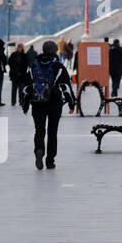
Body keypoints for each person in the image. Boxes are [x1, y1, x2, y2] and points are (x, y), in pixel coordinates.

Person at [22, 40, 71, 170]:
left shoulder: (34, 65)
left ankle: (39, 150)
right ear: (55, 51)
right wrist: (71, 103)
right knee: (52, 132)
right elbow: (66, 86)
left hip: (37, 103)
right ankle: (50, 160)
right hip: (54, 102)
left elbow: (26, 87)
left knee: (39, 130)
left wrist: (25, 105)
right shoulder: (58, 66)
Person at [7, 42, 30, 109]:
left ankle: (21, 101)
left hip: (22, 75)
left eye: (20, 47)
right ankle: (13, 101)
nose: (19, 48)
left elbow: (26, 65)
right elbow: (9, 63)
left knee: (21, 89)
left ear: (22, 48)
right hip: (14, 75)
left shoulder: (24, 55)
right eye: (18, 47)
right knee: (14, 89)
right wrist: (14, 70)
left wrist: (21, 71)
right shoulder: (13, 55)